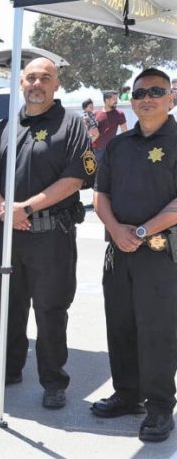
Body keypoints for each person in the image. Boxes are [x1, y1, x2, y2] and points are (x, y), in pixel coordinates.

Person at [0, 57, 94, 409]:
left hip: (50, 236)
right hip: (9, 235)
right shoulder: (5, 127)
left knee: (50, 309)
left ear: (57, 84)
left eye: (45, 77)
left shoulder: (71, 125)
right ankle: (6, 369)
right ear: (21, 84)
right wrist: (2, 209)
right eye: (31, 78)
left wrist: (25, 209)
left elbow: (76, 178)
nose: (37, 84)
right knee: (7, 305)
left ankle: (53, 381)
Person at [92, 68, 177, 442]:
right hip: (118, 250)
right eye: (139, 92)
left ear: (170, 96)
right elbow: (100, 195)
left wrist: (141, 232)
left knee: (157, 332)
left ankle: (160, 409)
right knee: (121, 325)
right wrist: (116, 229)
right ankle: (128, 395)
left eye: (156, 91)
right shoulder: (118, 145)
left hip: (159, 253)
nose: (147, 98)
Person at [93, 90, 128, 155]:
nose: (116, 101)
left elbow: (125, 133)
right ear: (107, 100)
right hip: (96, 150)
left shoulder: (119, 114)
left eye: (116, 99)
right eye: (114, 99)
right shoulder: (95, 113)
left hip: (111, 150)